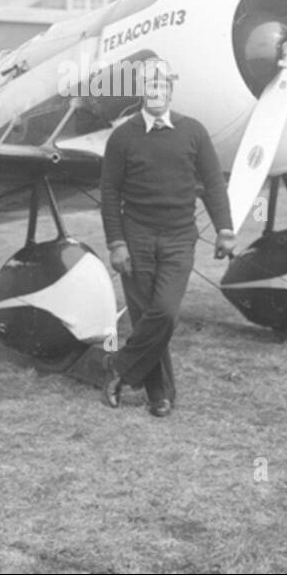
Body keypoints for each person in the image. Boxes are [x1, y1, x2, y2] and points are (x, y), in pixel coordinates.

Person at [99, 58, 237, 417]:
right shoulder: (122, 137)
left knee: (165, 313)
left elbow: (213, 183)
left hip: (179, 238)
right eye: (149, 85)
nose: (156, 91)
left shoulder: (193, 132)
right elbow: (110, 193)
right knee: (147, 314)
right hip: (136, 237)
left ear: (171, 90)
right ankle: (160, 396)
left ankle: (118, 367)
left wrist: (224, 229)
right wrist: (116, 243)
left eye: (162, 85)